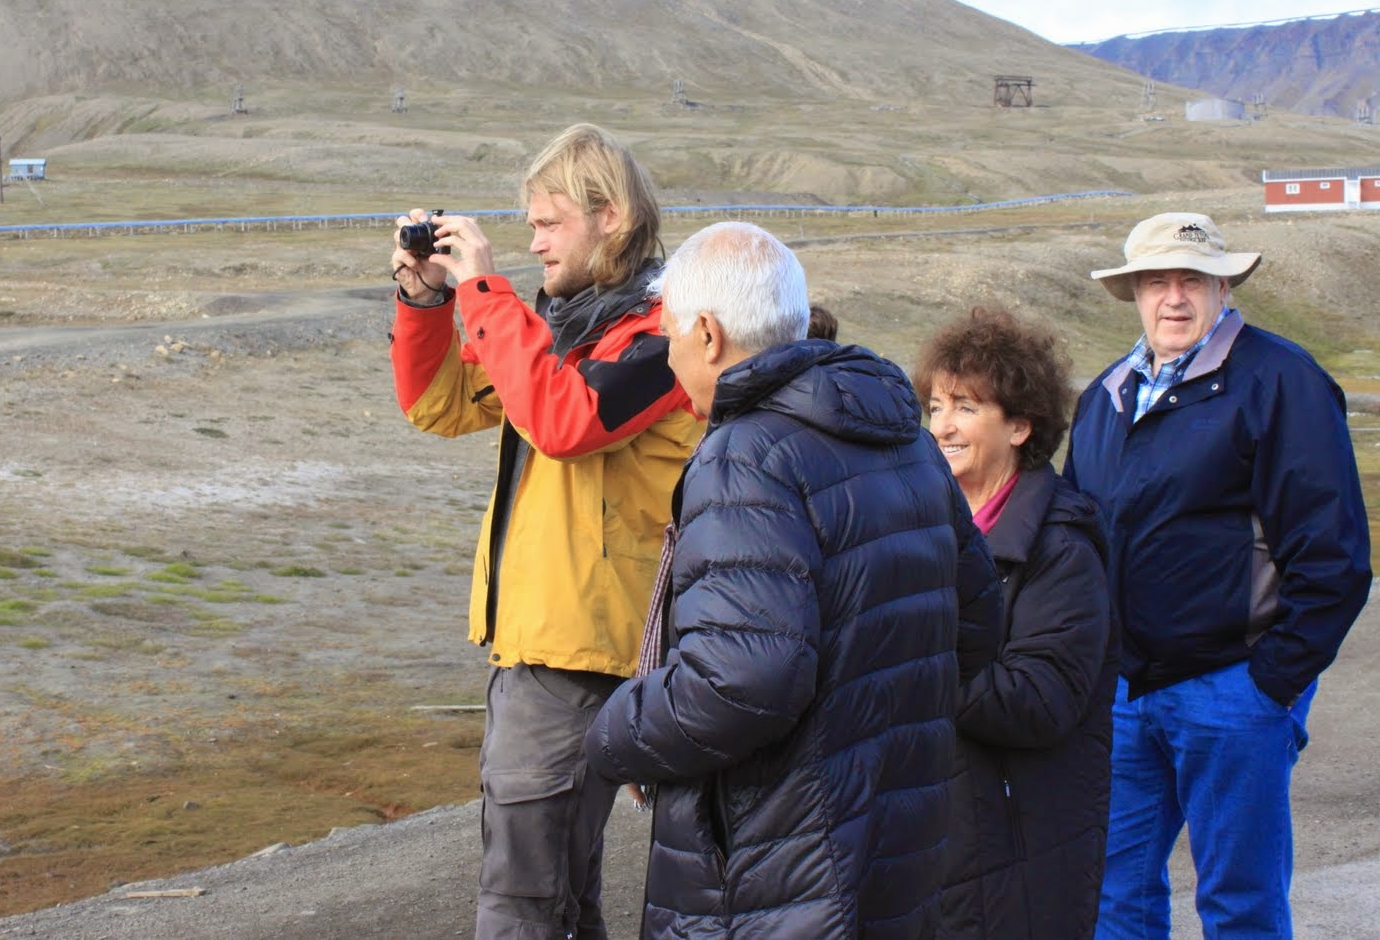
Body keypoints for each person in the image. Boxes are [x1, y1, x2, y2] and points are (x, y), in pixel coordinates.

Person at [583, 222, 1000, 938]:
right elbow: (977, 621)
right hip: (896, 847)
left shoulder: (744, 454)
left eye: (670, 337)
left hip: (772, 875)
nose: (668, 358)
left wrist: (616, 729)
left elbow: (744, 678)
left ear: (708, 334)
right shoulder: (902, 440)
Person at [388, 124, 702, 939]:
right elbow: (441, 404)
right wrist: (427, 301)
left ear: (611, 217)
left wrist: (485, 290)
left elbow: (565, 420)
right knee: (560, 896)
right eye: (527, 226)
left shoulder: (662, 335)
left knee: (522, 901)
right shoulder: (571, 329)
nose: (533, 243)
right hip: (545, 644)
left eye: (547, 223)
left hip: (581, 650)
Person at [1064, 212, 1372, 938]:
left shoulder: (1281, 380)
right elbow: (1079, 541)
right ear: (1133, 292)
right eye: (1157, 280)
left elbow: (1334, 556)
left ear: (1222, 285)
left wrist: (1271, 681)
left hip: (1233, 692)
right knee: (1114, 899)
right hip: (1126, 695)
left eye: (1192, 279)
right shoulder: (1104, 398)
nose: (1175, 297)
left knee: (1240, 905)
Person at [913, 307, 1116, 939]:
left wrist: (908, 669)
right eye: (936, 406)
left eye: (967, 408)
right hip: (937, 833)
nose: (943, 426)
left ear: (1022, 426)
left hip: (1020, 836)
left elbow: (1039, 700)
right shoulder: (924, 524)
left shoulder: (1061, 548)